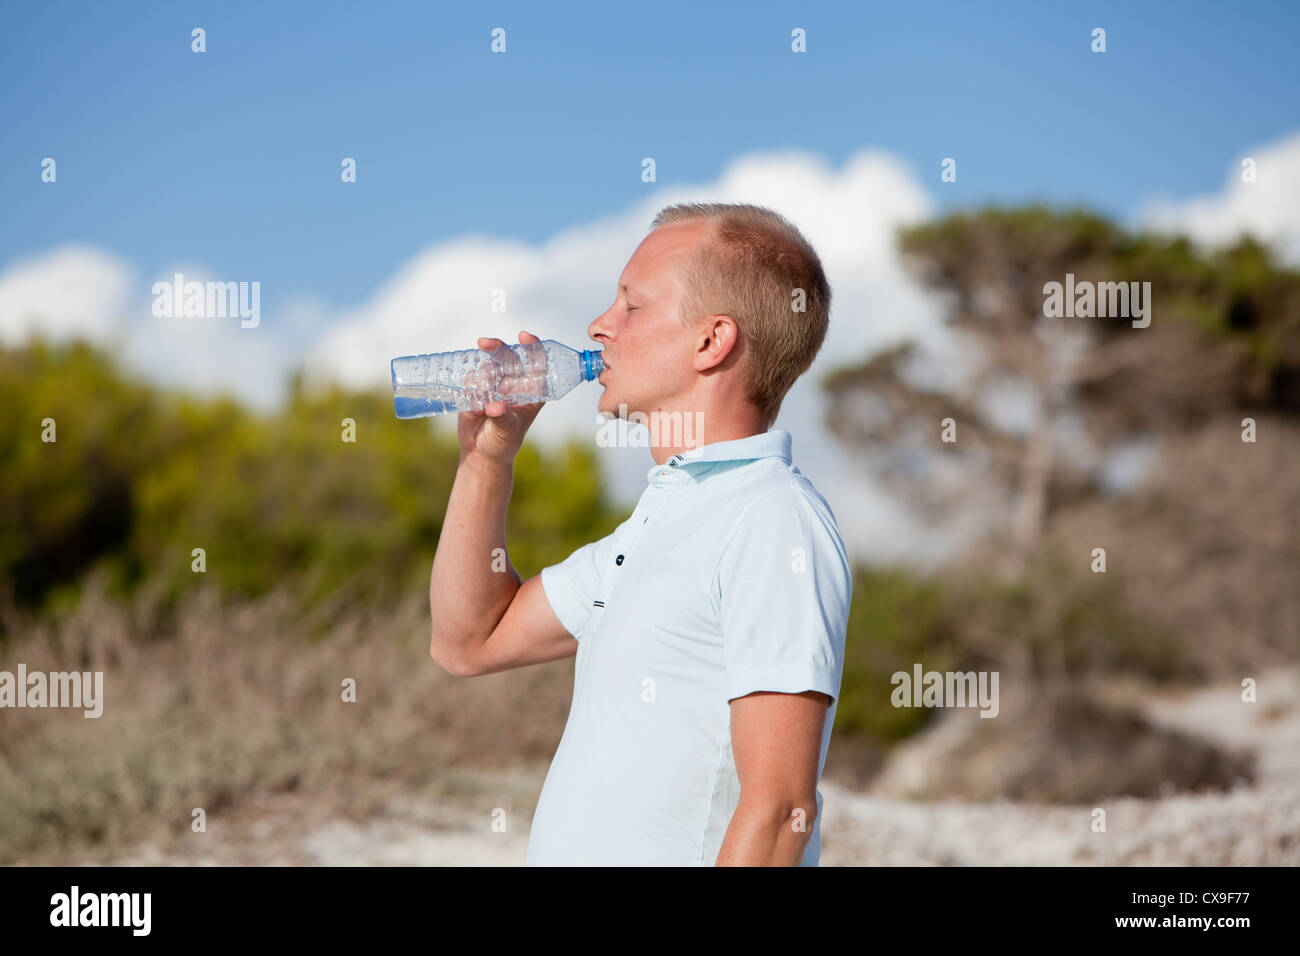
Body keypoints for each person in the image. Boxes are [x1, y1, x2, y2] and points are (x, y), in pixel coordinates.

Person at [428, 202, 852, 865]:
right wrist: (486, 461)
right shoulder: (661, 523)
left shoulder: (771, 519)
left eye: (631, 307)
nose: (599, 326)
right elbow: (469, 640)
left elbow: (779, 812)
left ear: (711, 342)